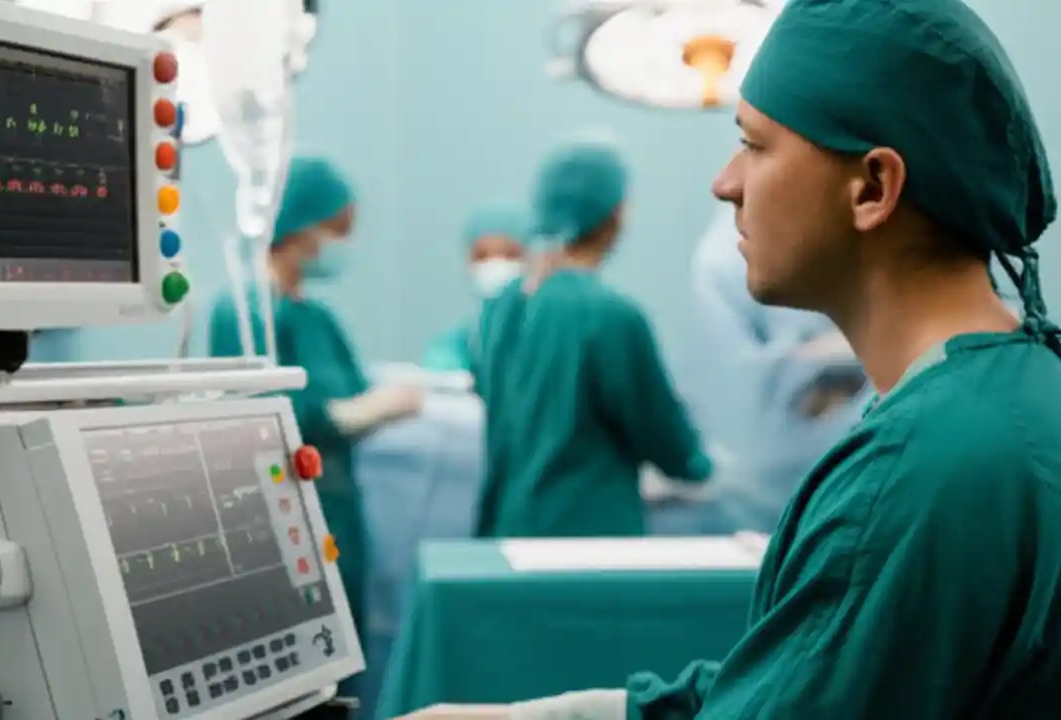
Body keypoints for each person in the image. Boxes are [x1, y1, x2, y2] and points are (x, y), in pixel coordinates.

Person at [404, 0, 1061, 717]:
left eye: (754, 145)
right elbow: (781, 690)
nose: (726, 183)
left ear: (872, 187)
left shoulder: (921, 471)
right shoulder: (1012, 398)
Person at [208, 155, 423, 655]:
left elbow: (348, 396)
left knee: (343, 650)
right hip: (278, 517)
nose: (342, 243)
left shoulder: (315, 317)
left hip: (336, 508)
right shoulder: (246, 313)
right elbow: (266, 417)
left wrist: (376, 405)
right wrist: (365, 410)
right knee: (294, 656)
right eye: (337, 229)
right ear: (299, 225)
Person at [474, 139, 712, 538]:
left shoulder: (503, 305)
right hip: (586, 539)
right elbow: (665, 438)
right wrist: (705, 469)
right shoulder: (611, 315)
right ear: (615, 215)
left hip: (507, 528)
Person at [686, 204, 870, 532]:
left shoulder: (837, 239)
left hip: (838, 489)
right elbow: (745, 383)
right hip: (762, 491)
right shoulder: (724, 261)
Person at [421, 202, 531, 372]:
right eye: (482, 256)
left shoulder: (545, 339)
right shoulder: (454, 346)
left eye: (509, 254)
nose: (495, 264)